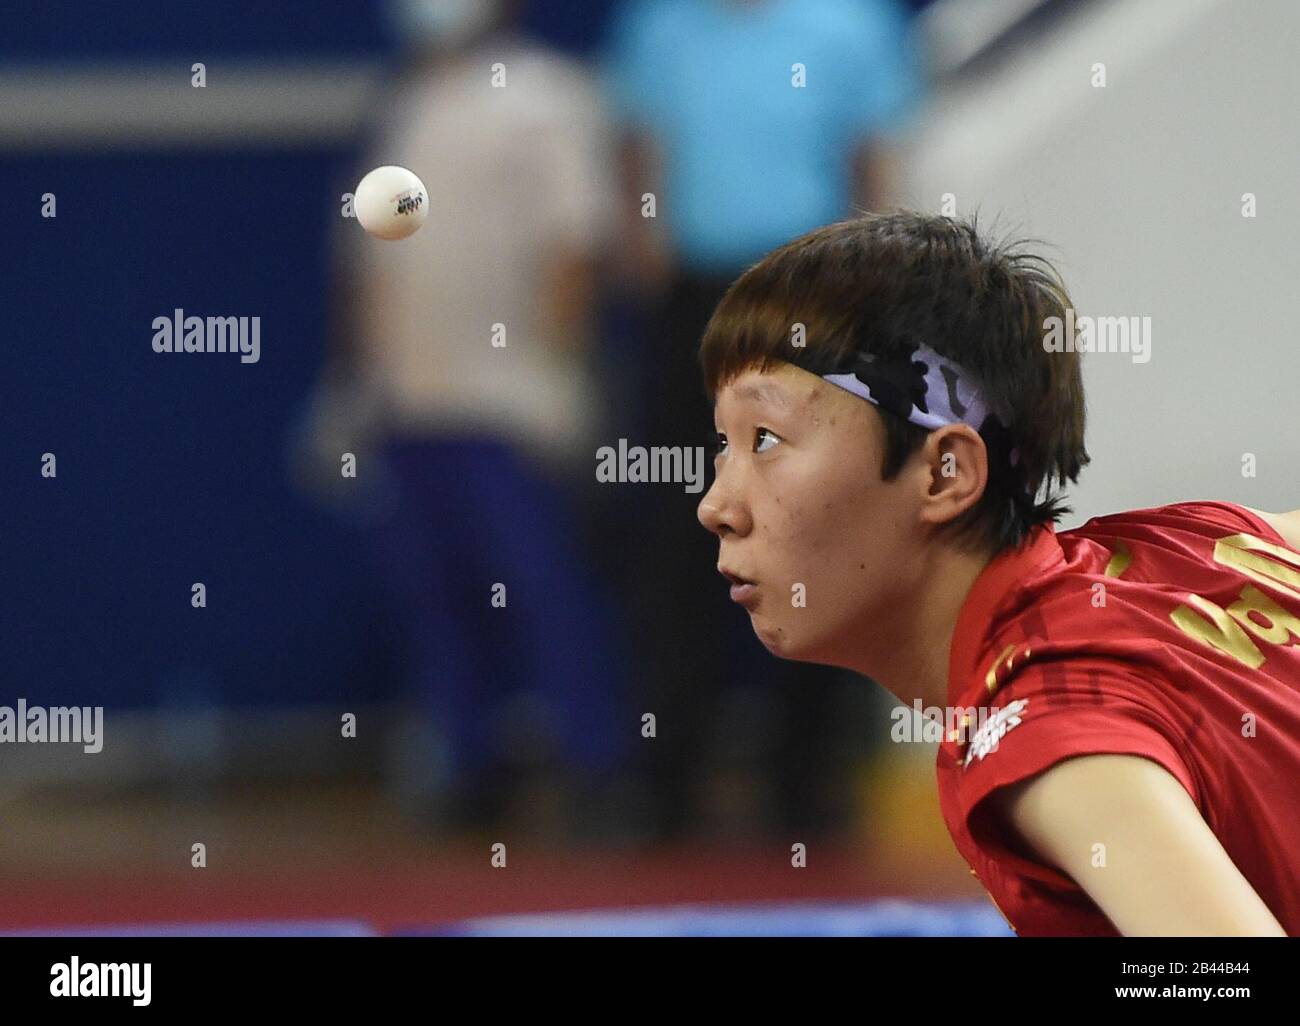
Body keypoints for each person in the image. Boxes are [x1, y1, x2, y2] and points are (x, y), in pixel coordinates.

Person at [695, 209, 1299, 936]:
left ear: (945, 474)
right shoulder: (1202, 540)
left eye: (765, 438)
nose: (716, 506)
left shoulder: (1042, 729)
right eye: (724, 445)